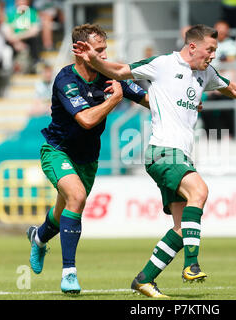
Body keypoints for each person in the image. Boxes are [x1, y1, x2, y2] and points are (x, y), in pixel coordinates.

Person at [73, 23, 236, 298]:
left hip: (179, 155)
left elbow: (232, 89)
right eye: (210, 50)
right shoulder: (163, 64)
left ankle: (144, 279)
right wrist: (92, 59)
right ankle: (191, 265)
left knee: (180, 229)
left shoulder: (206, 73)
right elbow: (119, 71)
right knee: (199, 191)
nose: (213, 55)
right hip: (163, 151)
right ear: (192, 47)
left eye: (215, 50)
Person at [26, 23, 150, 295]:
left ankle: (38, 237)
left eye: (106, 50)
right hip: (57, 151)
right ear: (82, 52)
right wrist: (114, 101)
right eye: (100, 50)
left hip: (87, 160)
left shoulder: (110, 76)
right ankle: (69, 273)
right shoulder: (65, 80)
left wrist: (178, 103)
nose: (105, 56)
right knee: (77, 198)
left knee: (61, 216)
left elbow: (148, 99)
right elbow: (85, 120)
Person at [2, 0, 41, 73]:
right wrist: (16, 42)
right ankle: (9, 69)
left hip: (27, 39)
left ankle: (35, 62)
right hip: (13, 42)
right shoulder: (10, 14)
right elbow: (6, 30)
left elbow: (34, 31)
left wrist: (18, 37)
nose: (21, 3)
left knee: (35, 40)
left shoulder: (32, 13)